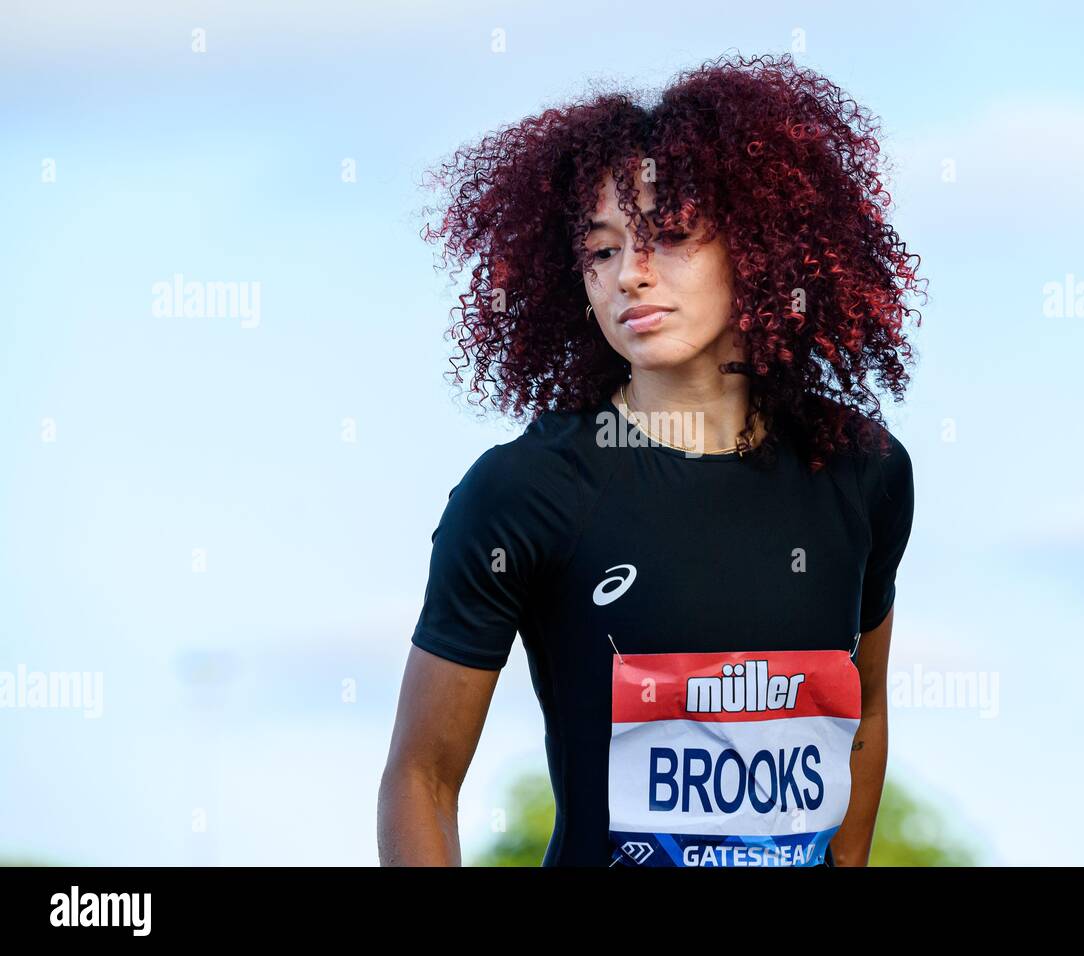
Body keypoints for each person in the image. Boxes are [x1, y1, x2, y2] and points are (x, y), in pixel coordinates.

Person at [378, 52, 922, 867]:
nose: (630, 275)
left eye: (668, 237)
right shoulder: (526, 492)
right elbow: (421, 778)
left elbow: (866, 715)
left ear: (759, 248)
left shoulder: (862, 472)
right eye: (601, 251)